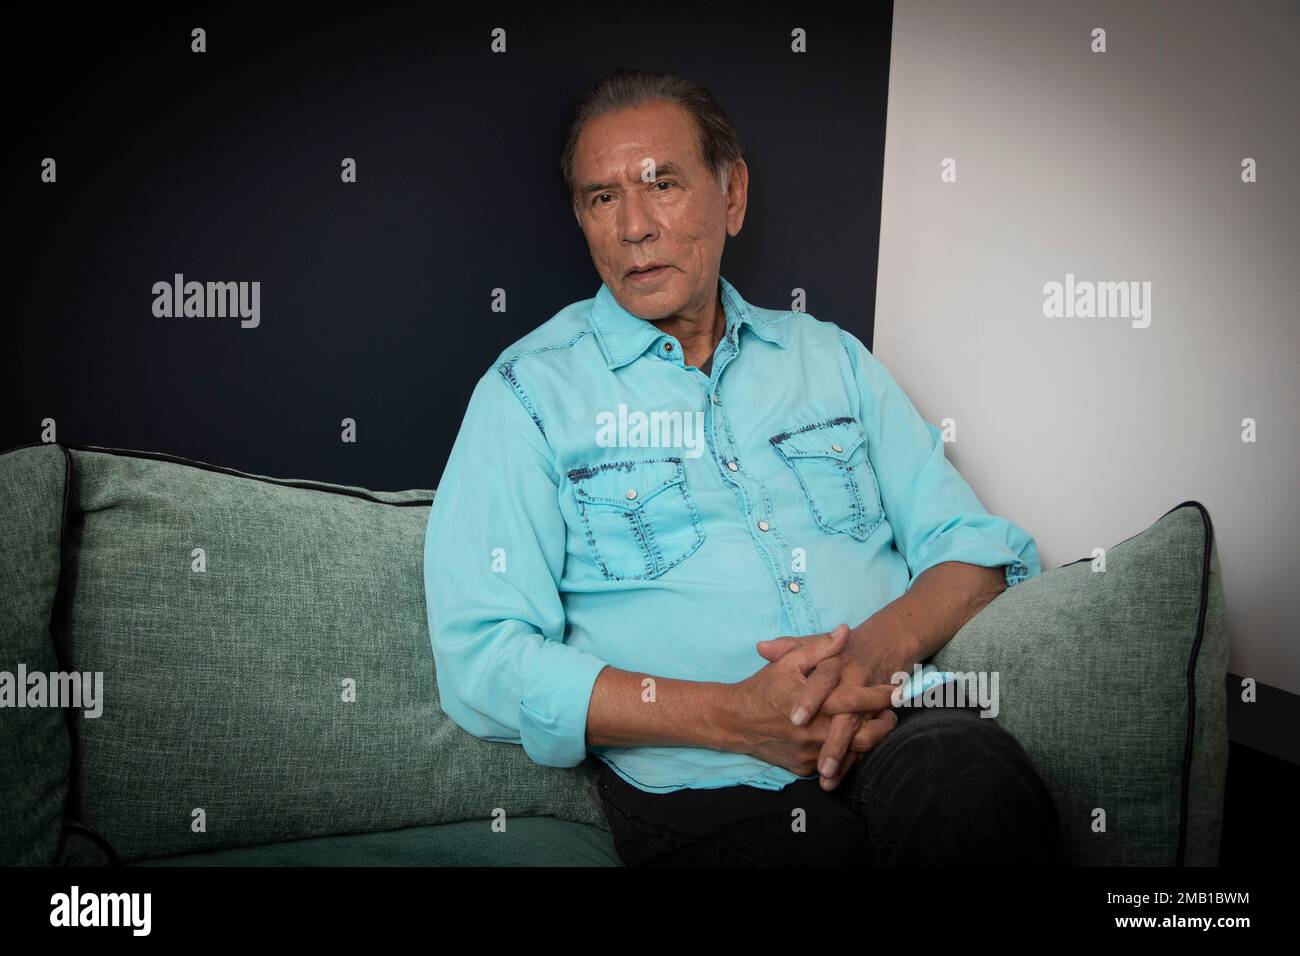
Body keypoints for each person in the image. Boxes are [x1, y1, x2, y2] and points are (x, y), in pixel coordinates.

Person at [423, 67, 1063, 865]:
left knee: (979, 802)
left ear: (732, 195)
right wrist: (737, 714)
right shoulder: (525, 392)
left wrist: (857, 665)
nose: (634, 227)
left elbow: (975, 553)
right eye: (601, 197)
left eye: (662, 183)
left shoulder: (831, 360)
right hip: (699, 781)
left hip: (899, 727)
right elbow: (483, 658)